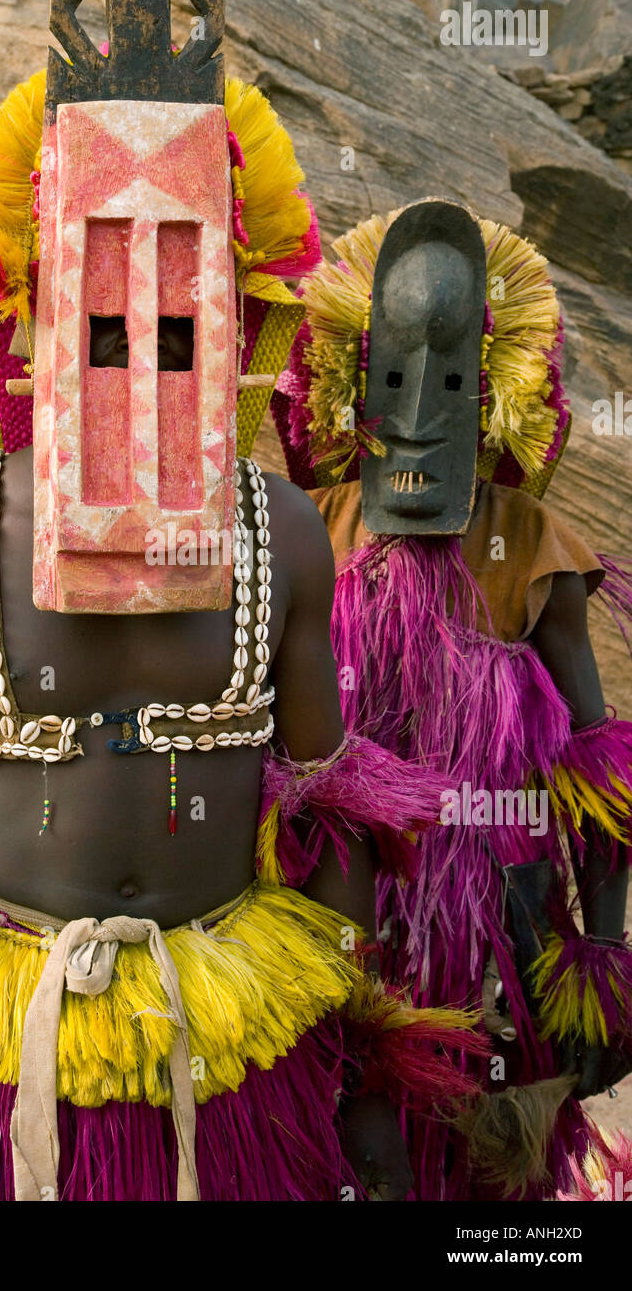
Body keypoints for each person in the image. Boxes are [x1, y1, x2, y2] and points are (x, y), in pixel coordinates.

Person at [0, 46, 481, 1197]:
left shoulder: (284, 533)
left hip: (230, 1040)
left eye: (179, 324)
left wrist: (357, 1077)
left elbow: (328, 815)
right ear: (30, 309)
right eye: (102, 323)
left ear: (234, 318)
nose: (139, 366)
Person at [273, 198, 632, 1199]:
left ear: (493, 388)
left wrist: (596, 961)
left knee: (485, 1174)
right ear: (353, 380)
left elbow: (595, 776)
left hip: (499, 934)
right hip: (333, 922)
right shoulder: (311, 528)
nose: (423, 407)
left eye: (451, 380)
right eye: (395, 375)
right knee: (340, 1151)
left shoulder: (531, 544)